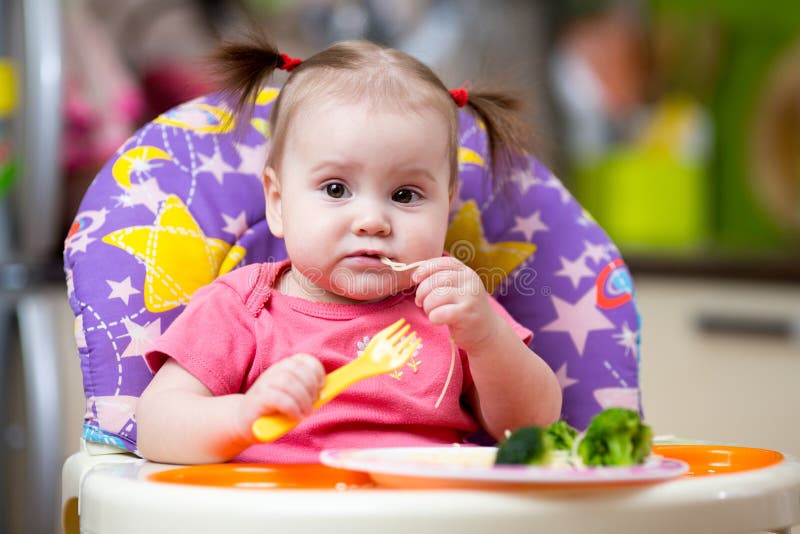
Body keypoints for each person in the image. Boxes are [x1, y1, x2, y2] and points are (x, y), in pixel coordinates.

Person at [135, 34, 562, 465]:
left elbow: (532, 427)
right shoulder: (243, 308)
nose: (372, 221)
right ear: (279, 203)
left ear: (447, 208)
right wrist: (242, 415)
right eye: (336, 189)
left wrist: (488, 338)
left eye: (406, 195)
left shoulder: (453, 307)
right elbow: (155, 427)